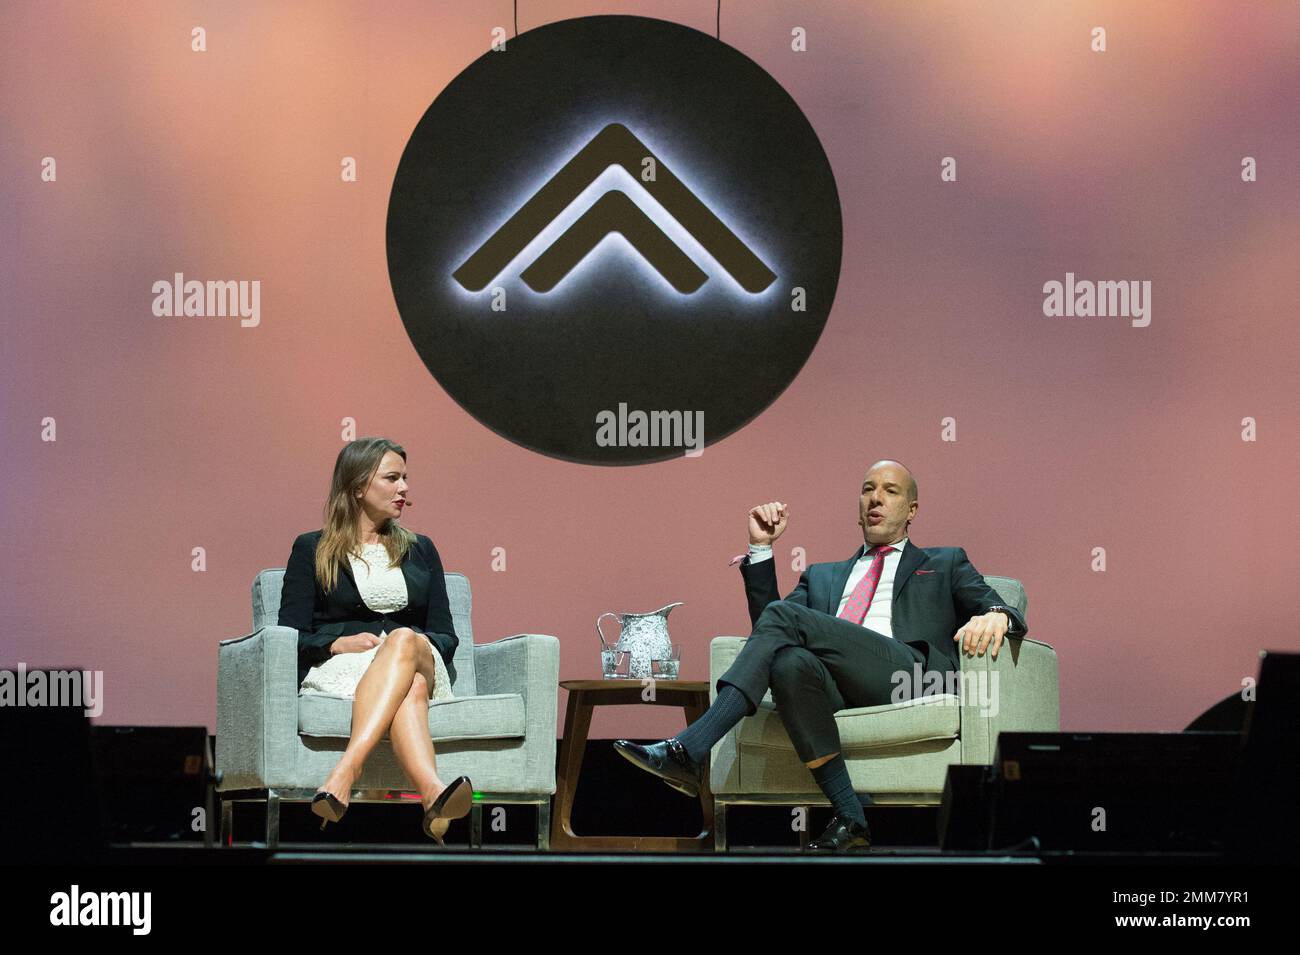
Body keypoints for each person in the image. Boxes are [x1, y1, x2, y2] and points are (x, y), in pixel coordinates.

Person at [614, 459, 1027, 852]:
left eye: (890, 490)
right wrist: (760, 550)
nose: (875, 498)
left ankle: (690, 749)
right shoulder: (822, 575)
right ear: (858, 507)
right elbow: (769, 632)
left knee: (786, 622)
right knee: (787, 662)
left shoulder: (945, 561)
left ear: (912, 508)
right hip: (837, 683)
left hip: (906, 677)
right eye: (867, 490)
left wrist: (998, 615)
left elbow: (997, 605)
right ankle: (852, 817)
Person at [276, 437, 472, 845]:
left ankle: (345, 771)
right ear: (358, 486)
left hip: (419, 657)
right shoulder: (312, 548)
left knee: (403, 644)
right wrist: (335, 644)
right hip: (346, 669)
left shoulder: (422, 549)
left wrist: (402, 643)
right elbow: (289, 636)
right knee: (410, 685)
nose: (404, 489)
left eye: (405, 479)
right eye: (392, 478)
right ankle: (434, 795)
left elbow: (446, 635)